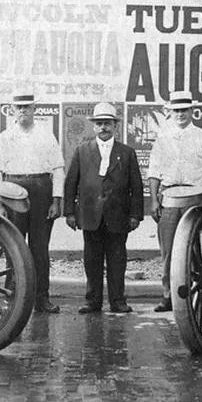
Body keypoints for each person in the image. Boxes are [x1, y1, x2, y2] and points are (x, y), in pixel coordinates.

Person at [0, 92, 64, 314]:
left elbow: (58, 169)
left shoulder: (46, 135)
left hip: (41, 191)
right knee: (13, 247)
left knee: (40, 248)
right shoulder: (5, 137)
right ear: (12, 110)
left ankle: (42, 299)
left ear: (34, 109)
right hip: (12, 191)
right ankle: (13, 298)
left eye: (27, 107)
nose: (23, 111)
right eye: (18, 107)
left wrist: (56, 200)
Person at [63, 103, 144, 314]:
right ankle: (93, 301)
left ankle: (118, 301)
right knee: (92, 260)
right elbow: (71, 183)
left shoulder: (126, 153)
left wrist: (135, 215)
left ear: (115, 126)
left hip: (118, 215)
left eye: (107, 123)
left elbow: (136, 186)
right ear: (93, 127)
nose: (103, 128)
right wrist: (70, 212)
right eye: (99, 124)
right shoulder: (82, 151)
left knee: (117, 260)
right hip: (91, 215)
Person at [146, 90, 202, 312]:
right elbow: (154, 172)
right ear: (170, 113)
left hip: (196, 197)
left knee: (201, 247)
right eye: (176, 111)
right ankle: (168, 296)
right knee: (168, 251)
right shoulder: (163, 138)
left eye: (184, 110)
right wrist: (153, 201)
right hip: (169, 199)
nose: (180, 114)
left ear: (192, 111)